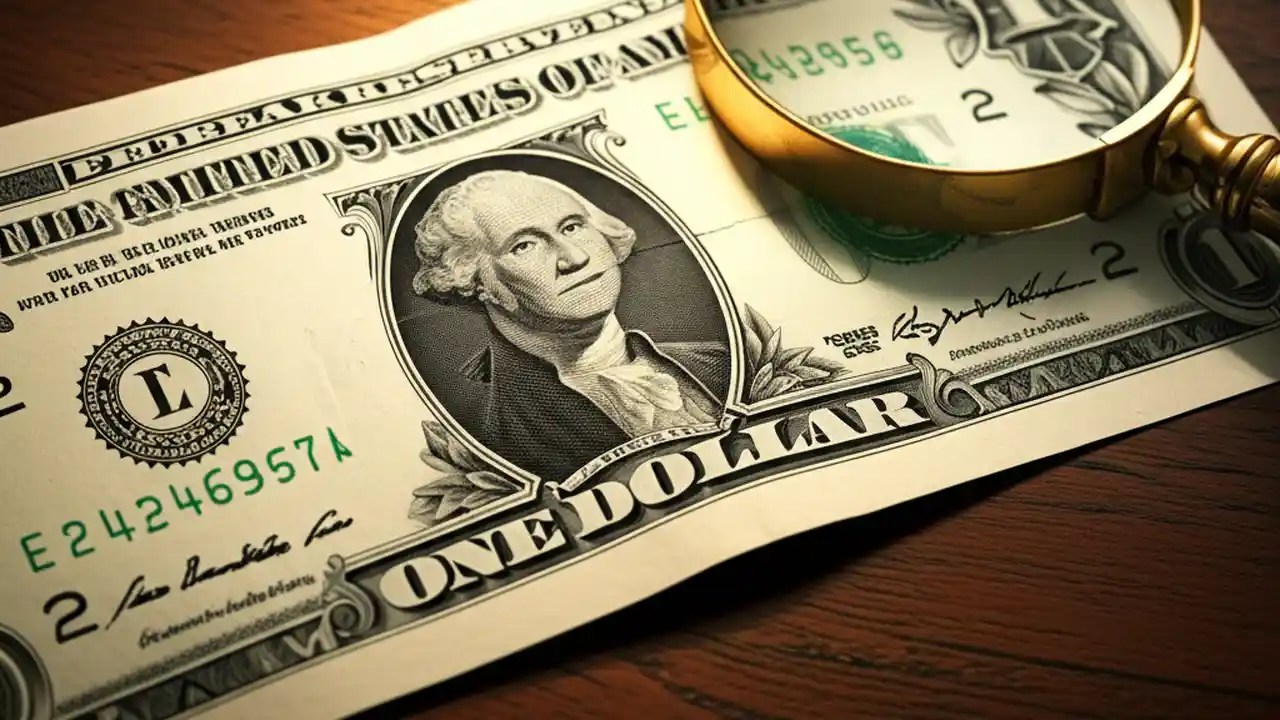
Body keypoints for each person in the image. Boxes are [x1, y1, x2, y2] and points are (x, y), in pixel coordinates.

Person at [410, 169, 730, 481]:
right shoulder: (487, 436)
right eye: (524, 245)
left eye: (573, 227)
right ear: (473, 280)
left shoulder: (720, 361)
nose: (575, 258)